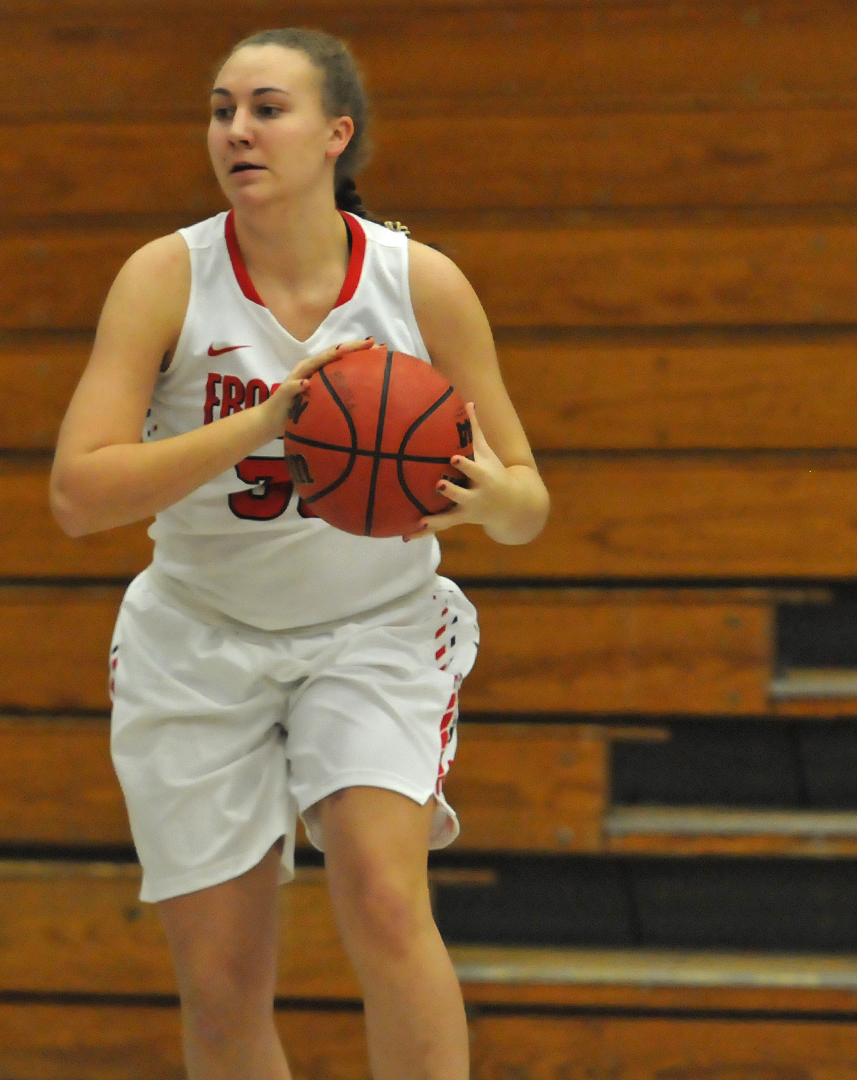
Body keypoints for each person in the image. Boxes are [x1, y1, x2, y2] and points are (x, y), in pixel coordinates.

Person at [50, 28, 549, 1080]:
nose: (236, 130)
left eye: (266, 108)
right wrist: (269, 419)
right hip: (198, 637)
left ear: (336, 135)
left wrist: (491, 499)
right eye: (221, 109)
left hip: (372, 631)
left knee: (380, 891)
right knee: (224, 981)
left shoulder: (422, 284)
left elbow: (527, 506)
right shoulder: (165, 279)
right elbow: (78, 494)